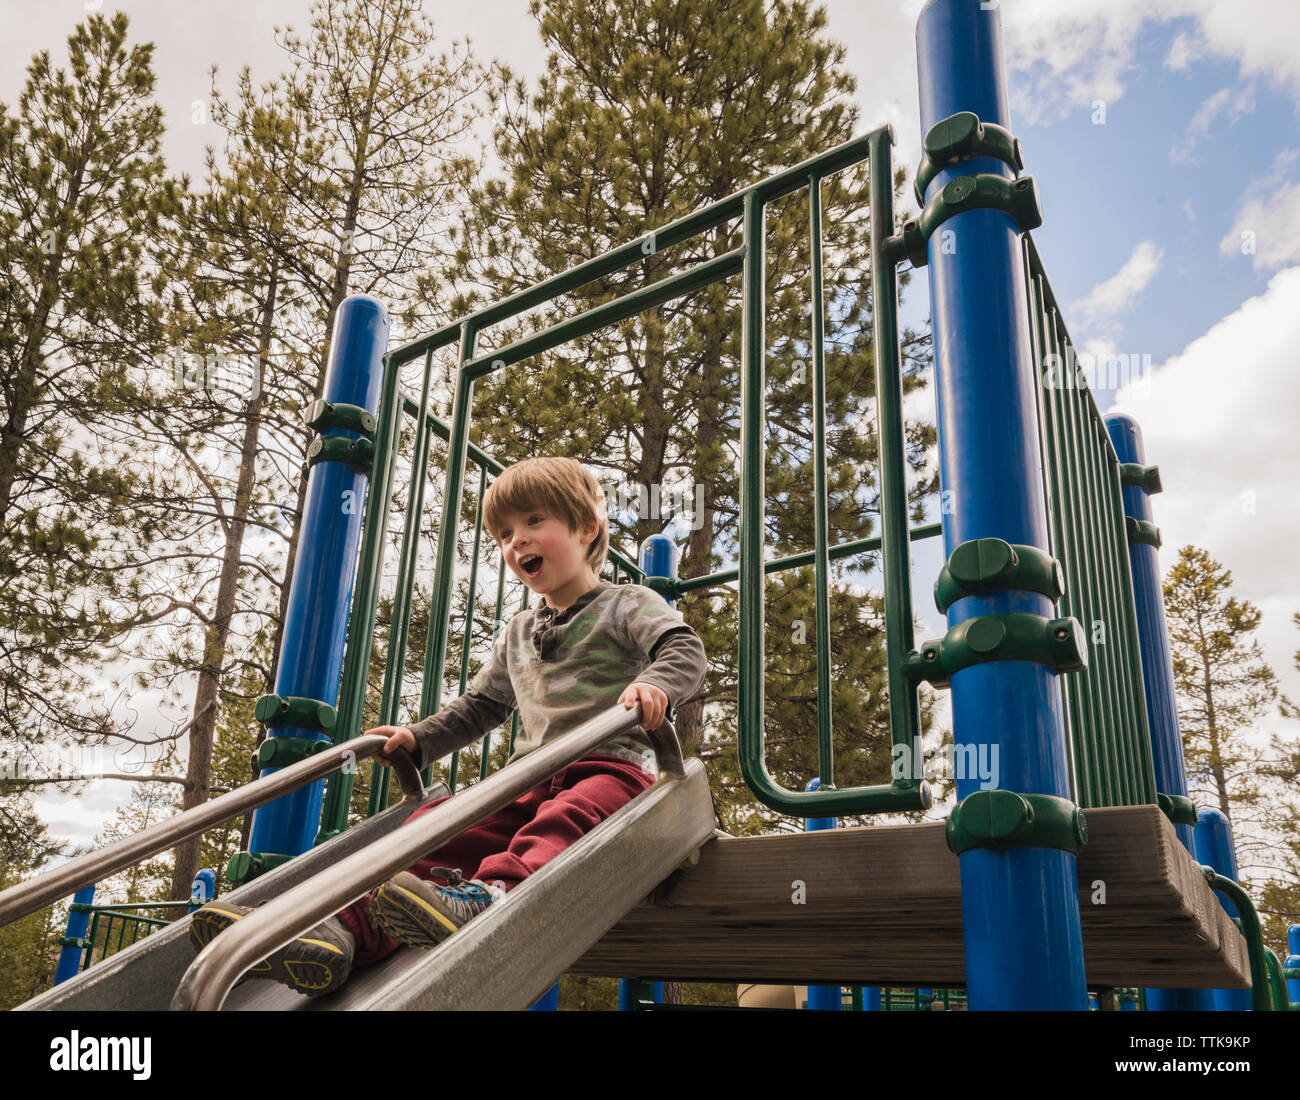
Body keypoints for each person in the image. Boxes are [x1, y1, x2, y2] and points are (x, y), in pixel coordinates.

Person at [189, 456, 708, 997]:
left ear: (586, 528)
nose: (517, 541)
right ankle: (339, 928)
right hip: (528, 776)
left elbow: (682, 646)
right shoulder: (520, 630)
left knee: (564, 819)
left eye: (534, 522)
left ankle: (491, 896)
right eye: (505, 533)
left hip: (612, 769)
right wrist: (420, 738)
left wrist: (656, 686)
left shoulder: (626, 604)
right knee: (439, 824)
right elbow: (482, 706)